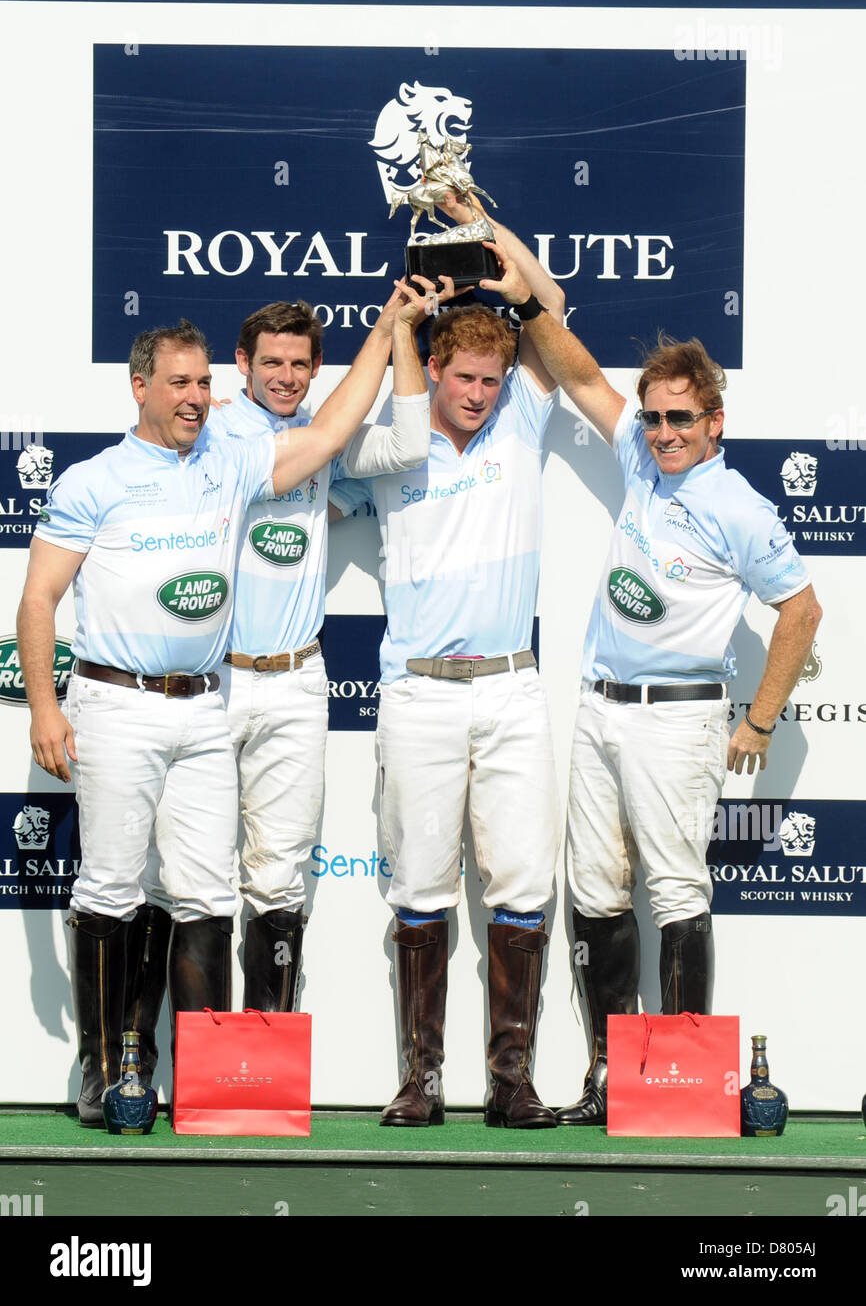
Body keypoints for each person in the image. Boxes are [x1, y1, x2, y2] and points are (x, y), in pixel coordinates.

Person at [16, 308, 423, 1125]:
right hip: (115, 703)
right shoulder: (92, 480)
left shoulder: (231, 467)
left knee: (204, 896)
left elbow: (338, 425)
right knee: (110, 887)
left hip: (203, 706)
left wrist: (385, 332)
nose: (196, 397)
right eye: (180, 382)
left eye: (204, 382)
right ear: (140, 387)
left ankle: (213, 1084)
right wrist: (44, 708)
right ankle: (107, 1076)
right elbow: (36, 599)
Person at [478, 240, 822, 1126]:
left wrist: (761, 721)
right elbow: (584, 374)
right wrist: (526, 309)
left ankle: (683, 1084)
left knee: (674, 893)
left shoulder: (740, 507)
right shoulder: (639, 456)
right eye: (656, 417)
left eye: (681, 418)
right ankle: (611, 1077)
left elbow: (802, 611)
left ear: (715, 424)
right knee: (596, 892)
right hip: (599, 708)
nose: (663, 431)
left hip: (678, 722)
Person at [128, 283, 439, 1084]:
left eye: (301, 365)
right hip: (209, 683)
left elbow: (407, 445)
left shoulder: (323, 437)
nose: (286, 377)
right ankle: (146, 1065)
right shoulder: (212, 434)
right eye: (271, 362)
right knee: (179, 876)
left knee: (278, 876)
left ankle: (255, 1074)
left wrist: (403, 331)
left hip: (298, 679)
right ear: (240, 365)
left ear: (315, 369)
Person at [332, 211, 567, 1129]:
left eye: (491, 379)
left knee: (521, 887)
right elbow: (319, 444)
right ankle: (419, 1080)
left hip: (512, 687)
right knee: (420, 890)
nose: (478, 393)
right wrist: (394, 321)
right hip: (419, 691)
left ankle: (511, 1083)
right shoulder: (387, 447)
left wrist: (479, 216)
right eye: (465, 377)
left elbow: (546, 303)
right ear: (434, 369)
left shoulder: (523, 420)